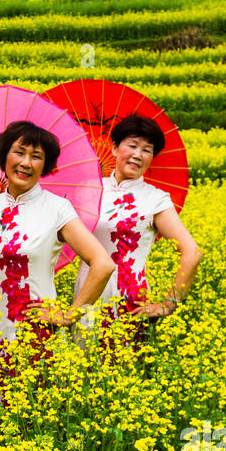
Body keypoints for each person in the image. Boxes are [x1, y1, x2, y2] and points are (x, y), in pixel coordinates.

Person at [0, 121, 114, 352]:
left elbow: (103, 264)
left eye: (36, 156)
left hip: (39, 331)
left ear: (45, 165)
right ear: (5, 156)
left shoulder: (57, 208)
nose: (25, 163)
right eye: (19, 152)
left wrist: (69, 315)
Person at [75, 115, 201, 341]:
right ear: (114, 148)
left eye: (147, 150)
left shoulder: (156, 199)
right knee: (83, 369)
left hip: (130, 299)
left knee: (124, 368)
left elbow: (192, 252)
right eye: (132, 146)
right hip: (87, 295)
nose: (137, 155)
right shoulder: (87, 189)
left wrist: (169, 304)